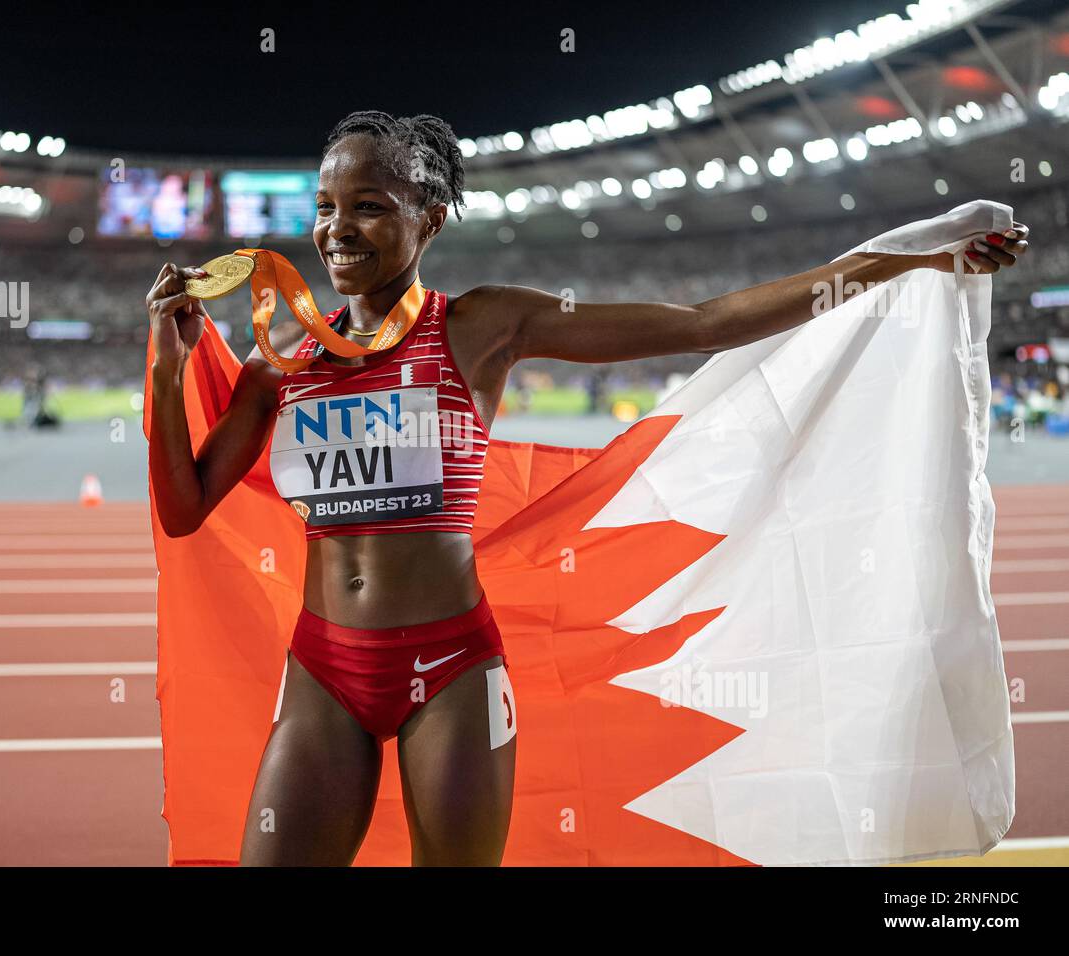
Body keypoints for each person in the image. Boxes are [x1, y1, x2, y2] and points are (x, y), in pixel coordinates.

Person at [145, 110, 1029, 867]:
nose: (339, 229)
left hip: (450, 670)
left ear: (431, 220)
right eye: (328, 208)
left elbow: (703, 325)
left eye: (371, 207)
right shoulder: (282, 364)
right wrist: (168, 364)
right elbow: (183, 513)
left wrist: (906, 262)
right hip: (323, 669)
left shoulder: (484, 325)